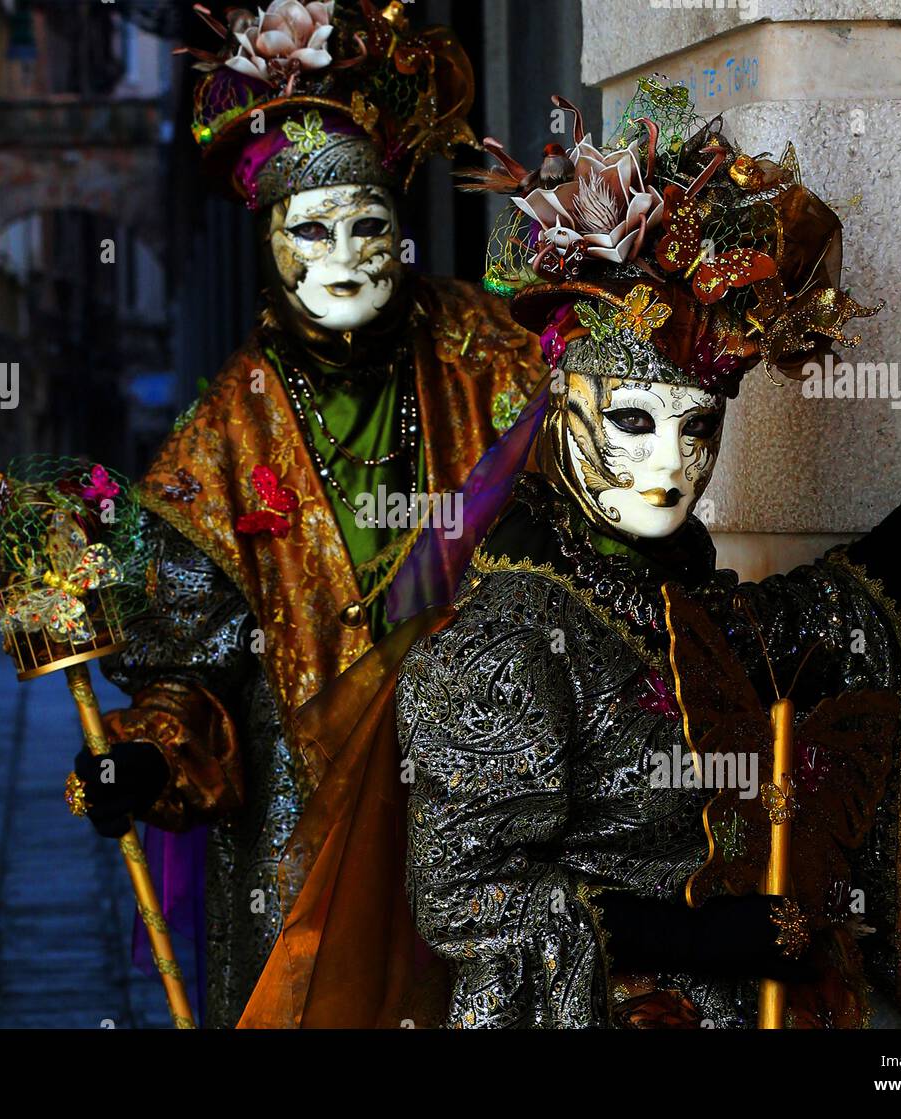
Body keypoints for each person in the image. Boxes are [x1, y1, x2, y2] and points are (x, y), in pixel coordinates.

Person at [391, 81, 901, 1027]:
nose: (671, 462)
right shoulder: (510, 641)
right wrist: (688, 936)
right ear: (559, 409)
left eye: (699, 428)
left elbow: (820, 617)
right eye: (636, 421)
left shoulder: (671, 597)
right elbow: (462, 892)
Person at [65, 0, 543, 1028]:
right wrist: (143, 754)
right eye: (310, 229)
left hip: (494, 818)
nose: (344, 256)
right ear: (270, 241)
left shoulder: (491, 359)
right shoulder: (220, 444)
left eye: (368, 224)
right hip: (301, 848)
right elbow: (186, 676)